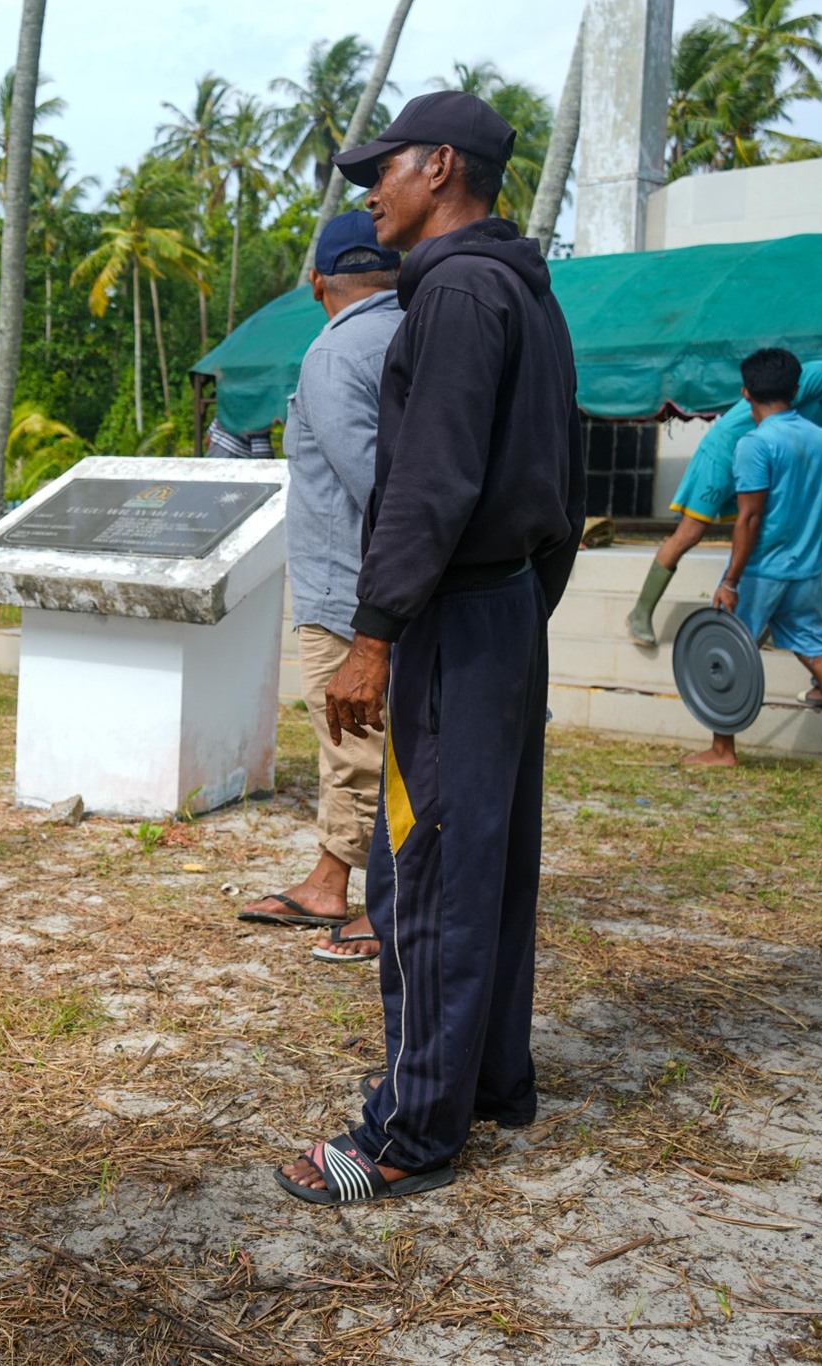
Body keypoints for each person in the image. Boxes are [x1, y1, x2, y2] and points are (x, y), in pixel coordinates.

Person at [278, 91, 587, 1206]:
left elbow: (428, 481)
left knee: (422, 874)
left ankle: (408, 1130)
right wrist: (513, 602)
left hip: (453, 614)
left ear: (441, 167)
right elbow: (560, 485)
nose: (370, 191)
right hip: (498, 606)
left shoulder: (453, 292)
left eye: (385, 168)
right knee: (487, 862)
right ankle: (487, 1078)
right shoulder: (524, 289)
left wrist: (377, 633)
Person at [239, 210, 402, 968]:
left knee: (358, 746)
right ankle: (329, 881)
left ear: (318, 283)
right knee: (353, 747)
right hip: (370, 585)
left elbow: (381, 488)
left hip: (349, 591)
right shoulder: (408, 331)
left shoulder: (334, 354)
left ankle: (388, 905)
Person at [681, 348, 822, 768]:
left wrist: (731, 580)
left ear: (745, 393)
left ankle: (723, 750)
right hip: (808, 568)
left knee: (727, 649)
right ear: (795, 390)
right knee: (817, 653)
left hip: (762, 570)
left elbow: (749, 518)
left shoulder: (754, 444)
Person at [626, 360, 822, 648]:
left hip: (766, 466)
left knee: (756, 536)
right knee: (691, 532)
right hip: (729, 450)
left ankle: (751, 622)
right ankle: (640, 614)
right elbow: (781, 409)